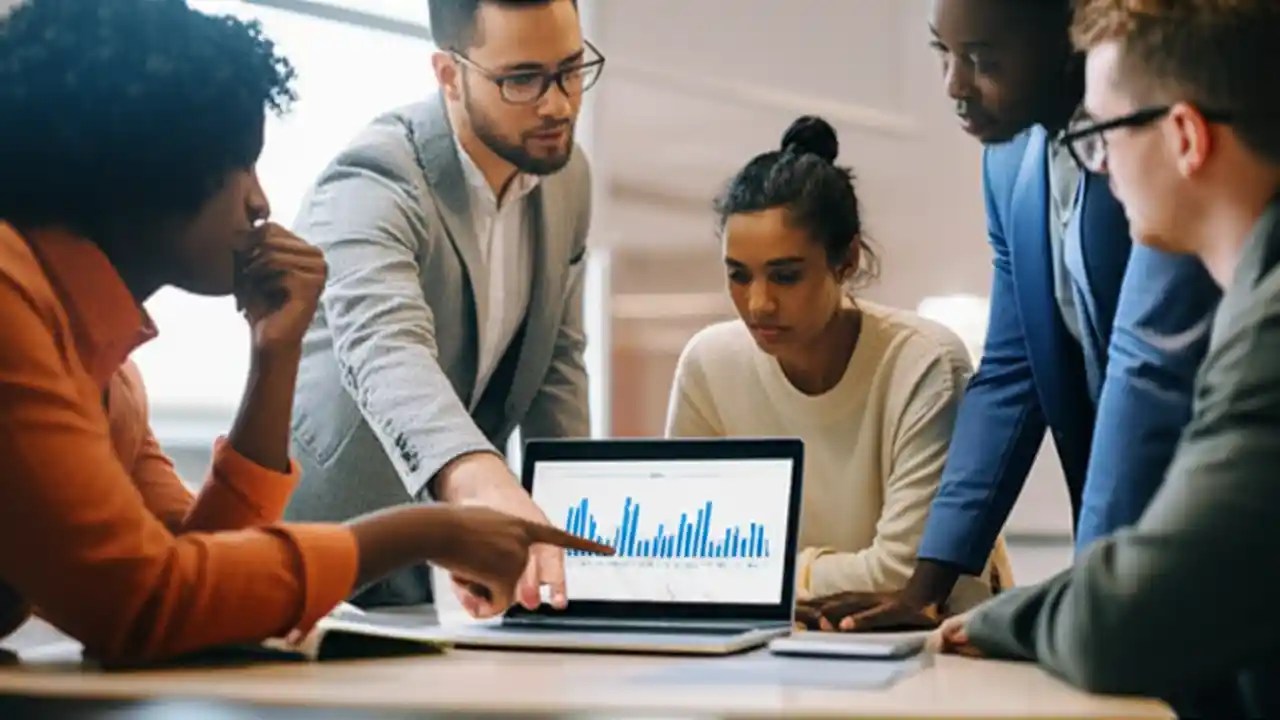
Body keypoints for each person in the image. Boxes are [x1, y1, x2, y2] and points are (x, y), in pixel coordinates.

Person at [0, 0, 608, 667]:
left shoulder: (109, 378)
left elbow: (202, 565)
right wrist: (423, 532)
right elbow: (146, 603)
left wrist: (276, 352)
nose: (260, 202)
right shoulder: (10, 304)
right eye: (240, 166)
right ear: (145, 170)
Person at [799, 0, 1220, 632]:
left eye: (982, 60)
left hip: (1207, 523)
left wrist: (1090, 601)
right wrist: (925, 588)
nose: (954, 86)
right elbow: (1011, 367)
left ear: (1071, 41)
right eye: (943, 53)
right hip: (1120, 551)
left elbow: (1145, 373)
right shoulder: (1007, 161)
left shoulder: (1148, 148)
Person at [933, 2, 1280, 716]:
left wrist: (1008, 617)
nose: (1093, 163)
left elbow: (1114, 626)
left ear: (1185, 137)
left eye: (1101, 134)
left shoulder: (1266, 338)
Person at [284, 0, 603, 613]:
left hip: (447, 569)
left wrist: (571, 532)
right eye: (522, 80)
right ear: (449, 75)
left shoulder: (567, 177)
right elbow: (385, 346)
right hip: (328, 543)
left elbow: (558, 363)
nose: (559, 104)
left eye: (570, 69)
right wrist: (481, 485)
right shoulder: (373, 176)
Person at [666, 116, 1013, 620]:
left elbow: (902, 575)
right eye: (738, 276)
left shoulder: (924, 364)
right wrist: (780, 586)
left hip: (928, 641)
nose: (758, 303)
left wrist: (762, 579)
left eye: (786, 276)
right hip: (777, 638)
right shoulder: (709, 364)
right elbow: (683, 561)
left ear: (846, 260)